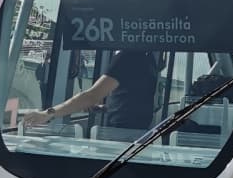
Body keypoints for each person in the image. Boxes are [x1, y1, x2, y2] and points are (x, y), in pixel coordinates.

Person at [23, 50, 159, 130]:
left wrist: (47, 114)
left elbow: (91, 96)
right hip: (138, 134)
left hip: (121, 136)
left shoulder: (127, 57)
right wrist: (107, 108)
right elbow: (135, 101)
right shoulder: (148, 59)